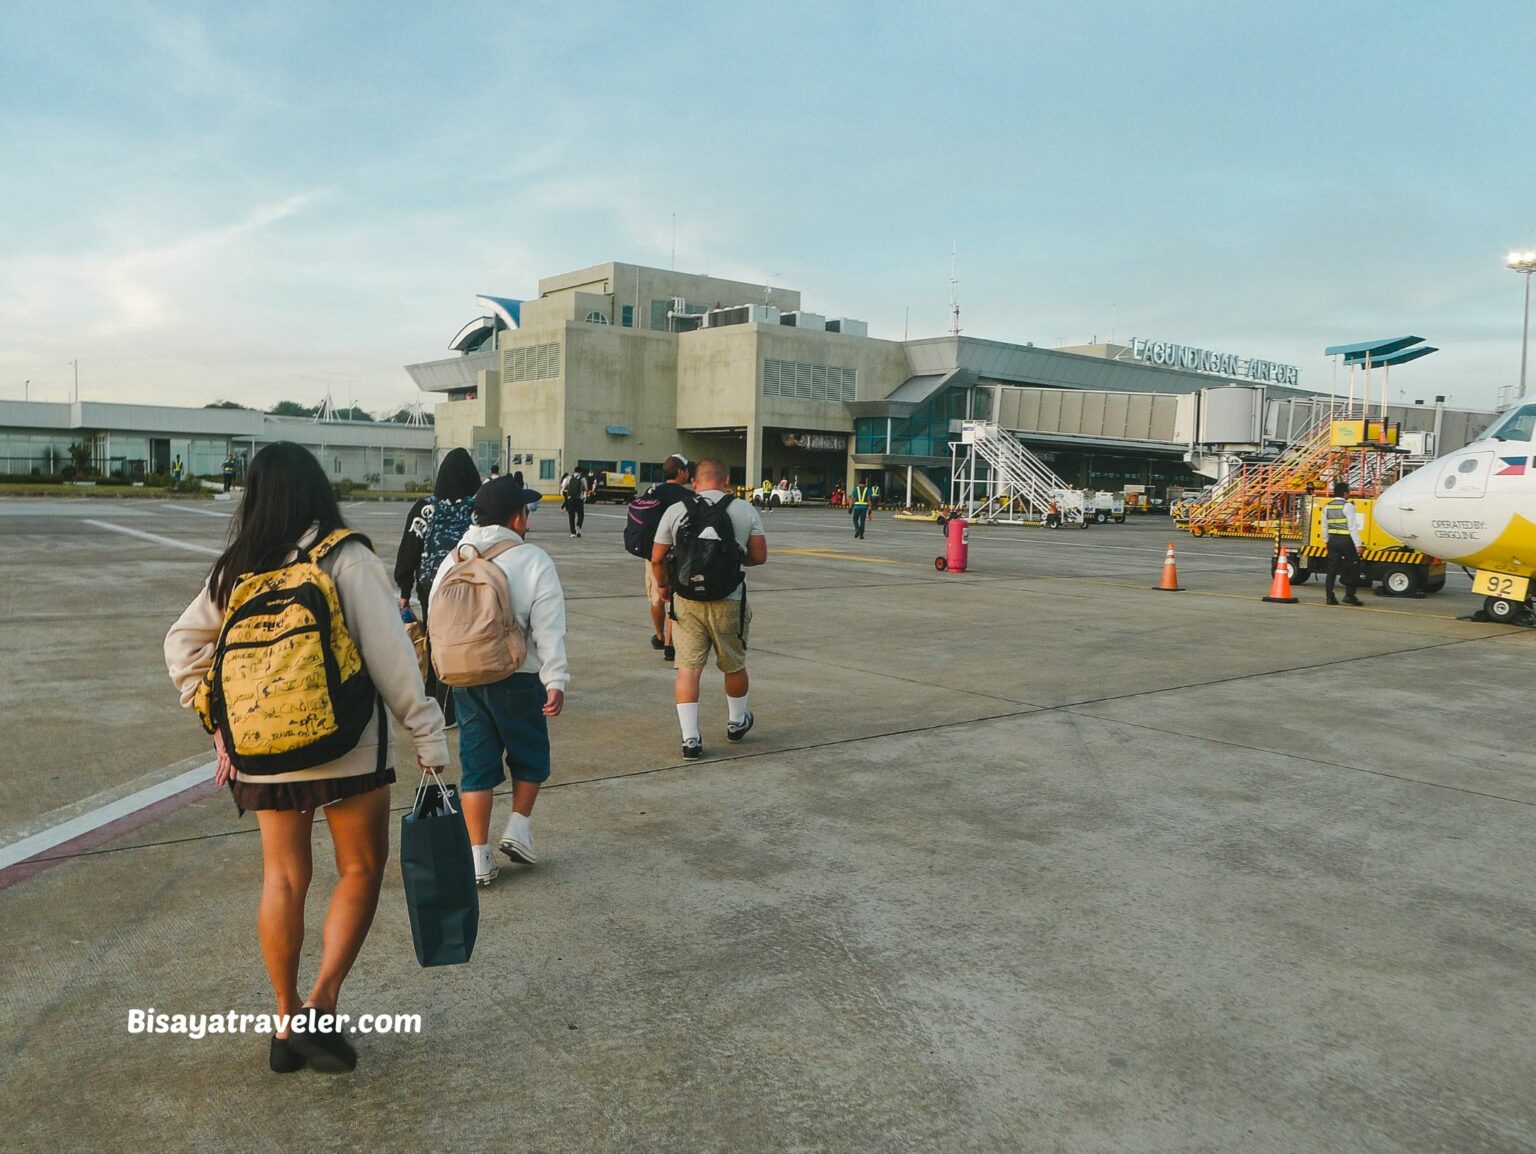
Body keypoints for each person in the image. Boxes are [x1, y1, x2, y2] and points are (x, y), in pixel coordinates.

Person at [164, 442, 446, 1074]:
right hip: (349, 748)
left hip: (265, 755)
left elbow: (181, 646)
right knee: (360, 869)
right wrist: (429, 736)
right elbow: (392, 661)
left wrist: (220, 724)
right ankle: (323, 1005)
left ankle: (286, 1018)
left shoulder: (238, 568)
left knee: (284, 879)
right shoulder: (346, 555)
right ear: (317, 489)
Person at [430, 472, 568, 884]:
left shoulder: (454, 557)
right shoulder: (533, 559)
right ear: (517, 518)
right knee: (530, 756)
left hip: (465, 677)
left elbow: (436, 616)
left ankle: (477, 857)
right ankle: (519, 829)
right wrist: (555, 677)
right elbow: (549, 626)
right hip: (517, 675)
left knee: (476, 765)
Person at [650, 458, 767, 760]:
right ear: (726, 481)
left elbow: (657, 557)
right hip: (728, 598)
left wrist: (664, 586)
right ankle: (736, 722)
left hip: (686, 601)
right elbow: (759, 556)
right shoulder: (744, 509)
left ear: (695, 482)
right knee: (734, 663)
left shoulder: (676, 510)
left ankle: (690, 739)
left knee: (688, 670)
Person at [395, 448, 481, 725]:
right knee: (468, 639)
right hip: (472, 584)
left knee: (435, 639)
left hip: (432, 587)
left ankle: (437, 699)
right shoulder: (479, 508)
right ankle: (463, 701)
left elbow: (409, 548)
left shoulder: (425, 508)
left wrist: (405, 590)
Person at [639, 454, 693, 661]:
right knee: (674, 599)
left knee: (656, 598)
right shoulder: (687, 497)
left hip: (653, 554)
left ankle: (660, 636)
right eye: (687, 470)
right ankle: (671, 644)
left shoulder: (652, 492)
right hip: (678, 554)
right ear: (680, 472)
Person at [1322, 480, 1365, 606]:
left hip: (1333, 540)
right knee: (1354, 566)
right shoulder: (1348, 506)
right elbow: (1352, 527)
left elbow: (1324, 526)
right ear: (1345, 493)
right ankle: (1349, 595)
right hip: (1346, 540)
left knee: (1332, 569)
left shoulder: (1327, 506)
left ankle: (1329, 597)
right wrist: (1358, 544)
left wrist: (1326, 541)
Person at [563, 466, 587, 537]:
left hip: (570, 499)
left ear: (574, 471)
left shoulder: (569, 478)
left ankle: (572, 532)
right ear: (581, 472)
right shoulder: (582, 478)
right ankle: (578, 526)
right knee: (580, 515)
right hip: (579, 499)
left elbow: (564, 488)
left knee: (571, 516)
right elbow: (586, 488)